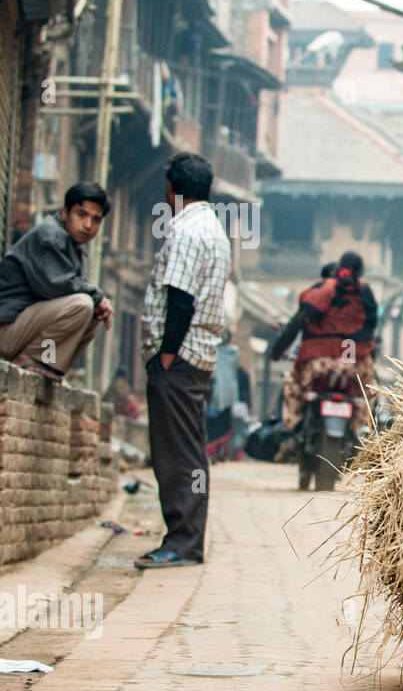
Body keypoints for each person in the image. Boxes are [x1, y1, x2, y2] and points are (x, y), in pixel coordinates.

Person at [135, 152, 232, 570]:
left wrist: (166, 355)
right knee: (189, 451)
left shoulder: (186, 231)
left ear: (173, 189)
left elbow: (180, 299)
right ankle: (185, 539)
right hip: (197, 357)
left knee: (174, 454)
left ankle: (181, 542)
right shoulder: (214, 230)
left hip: (179, 358)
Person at [0, 183, 115, 380]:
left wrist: (97, 302)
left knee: (93, 313)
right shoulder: (49, 236)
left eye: (96, 219)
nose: (88, 225)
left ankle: (46, 364)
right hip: (6, 331)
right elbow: (57, 286)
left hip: (23, 329)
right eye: (81, 215)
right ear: (64, 213)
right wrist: (98, 297)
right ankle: (31, 359)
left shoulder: (74, 246)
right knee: (83, 304)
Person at [276, 250, 377, 433]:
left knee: (292, 381)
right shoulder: (364, 292)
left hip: (318, 361)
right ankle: (362, 430)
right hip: (353, 359)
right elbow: (370, 330)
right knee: (369, 391)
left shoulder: (322, 290)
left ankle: (293, 425)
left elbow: (299, 320)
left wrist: (276, 351)